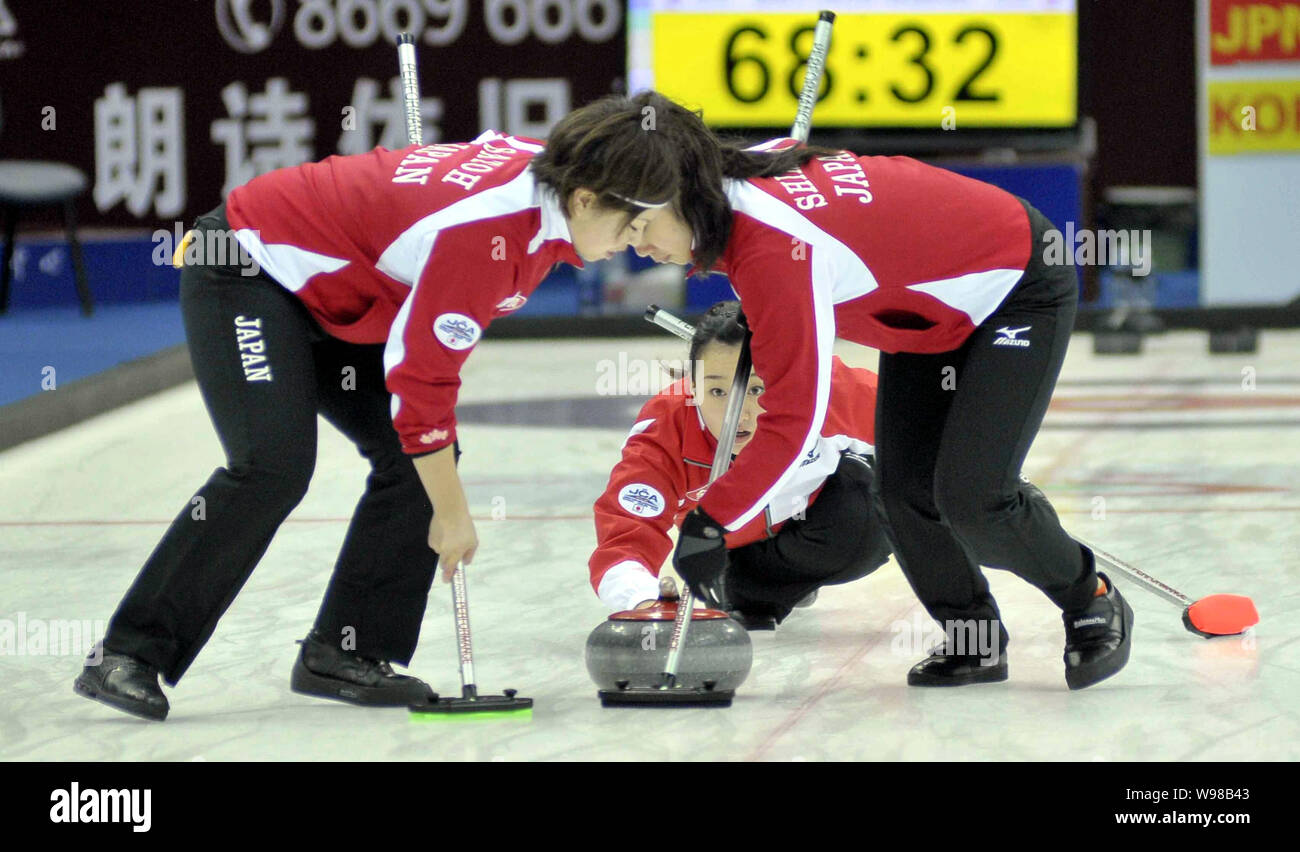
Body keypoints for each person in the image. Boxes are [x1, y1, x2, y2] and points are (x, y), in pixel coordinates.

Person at [75, 92, 715, 721]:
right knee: (273, 464)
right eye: (627, 224)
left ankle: (345, 651)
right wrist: (454, 514)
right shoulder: (490, 231)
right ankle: (130, 654)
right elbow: (422, 384)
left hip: (343, 298)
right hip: (248, 267)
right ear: (583, 199)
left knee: (420, 464)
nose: (632, 242)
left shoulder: (558, 182)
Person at [632, 134, 1133, 690]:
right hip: (924, 311)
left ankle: (1090, 597)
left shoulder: (771, 244)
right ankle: (975, 638)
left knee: (975, 498)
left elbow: (793, 422)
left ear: (683, 200)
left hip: (1013, 285)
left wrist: (710, 521)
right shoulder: (742, 174)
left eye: (643, 228)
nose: (640, 248)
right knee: (900, 494)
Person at [589, 301, 891, 629]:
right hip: (733, 554)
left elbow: (919, 430)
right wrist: (642, 601)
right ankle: (765, 587)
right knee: (722, 581)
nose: (740, 412)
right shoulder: (667, 428)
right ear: (692, 387)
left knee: (871, 513)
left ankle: (780, 585)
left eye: (757, 389)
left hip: (826, 518)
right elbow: (625, 534)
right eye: (718, 390)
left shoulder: (824, 390)